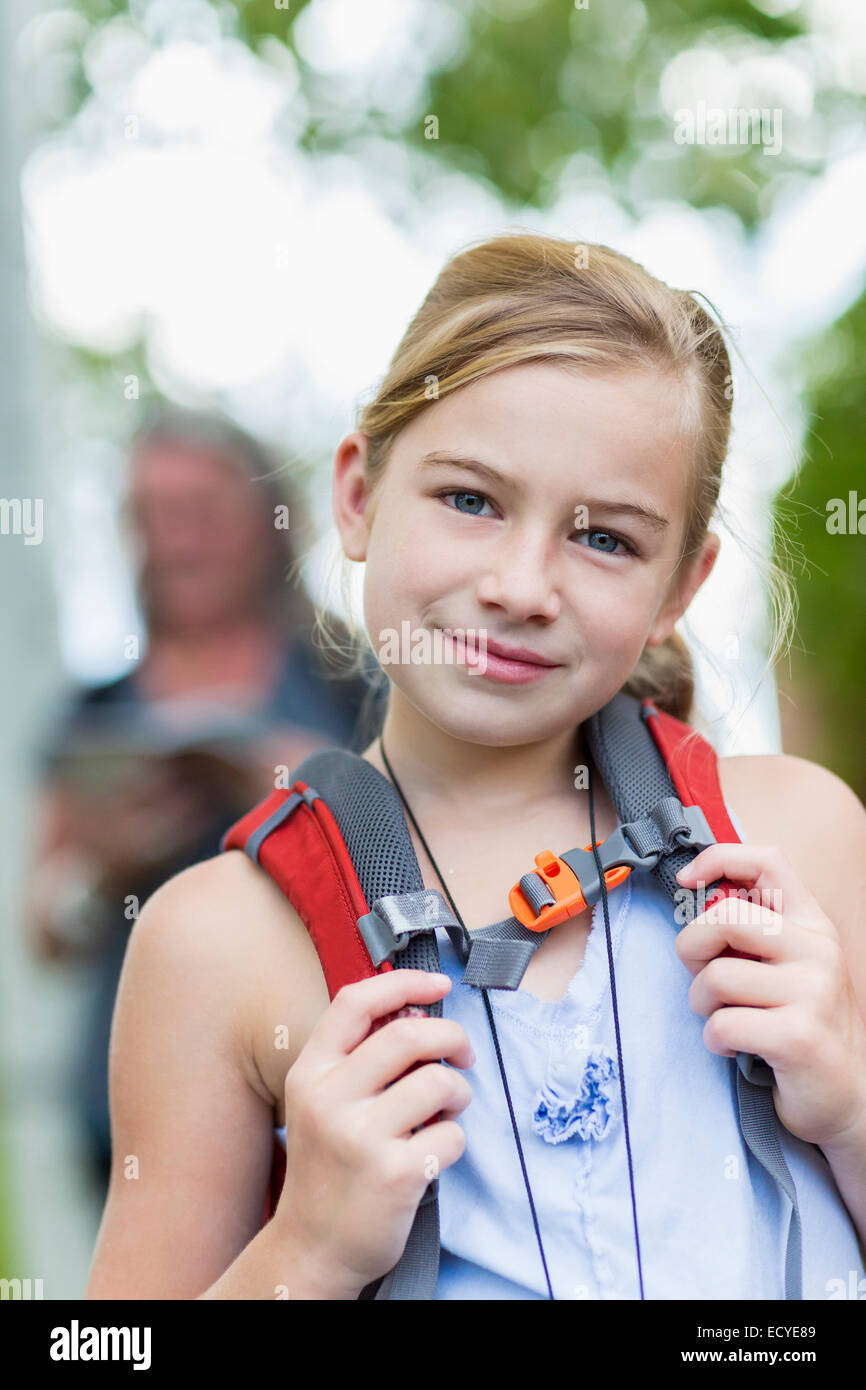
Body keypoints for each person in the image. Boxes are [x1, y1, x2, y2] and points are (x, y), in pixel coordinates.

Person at [84, 234, 866, 1300]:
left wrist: (853, 1110)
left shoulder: (797, 842)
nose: (520, 583)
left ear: (679, 587)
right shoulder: (216, 941)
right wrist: (304, 1249)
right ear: (357, 497)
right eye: (469, 500)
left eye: (603, 540)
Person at [26, 406, 383, 1203]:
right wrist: (100, 869)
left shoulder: (350, 683)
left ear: (267, 522)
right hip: (133, 1104)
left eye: (201, 512)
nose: (176, 539)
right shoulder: (96, 712)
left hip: (321, 1089)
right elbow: (44, 926)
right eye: (152, 514)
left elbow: (438, 847)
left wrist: (299, 784)